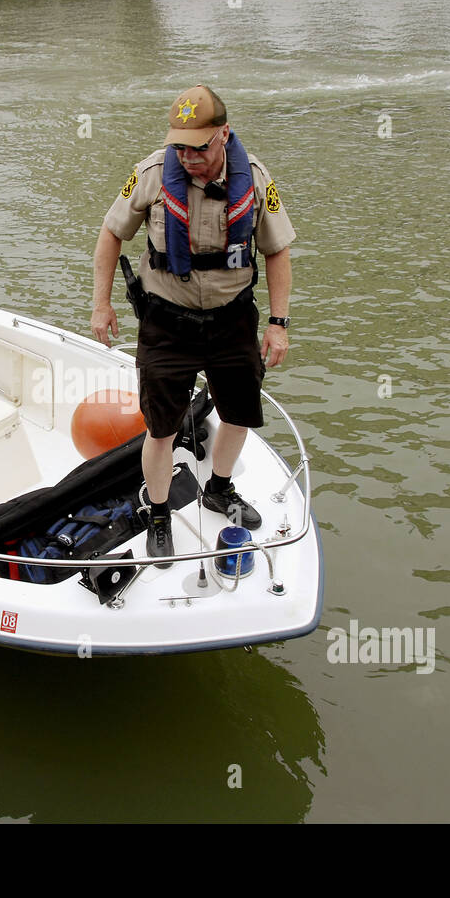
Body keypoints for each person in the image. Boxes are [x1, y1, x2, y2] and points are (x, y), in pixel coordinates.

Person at [90, 85, 295, 565]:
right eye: (179, 146)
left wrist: (279, 323)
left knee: (240, 413)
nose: (187, 157)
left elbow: (278, 250)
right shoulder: (152, 174)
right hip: (166, 322)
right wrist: (101, 304)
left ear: (223, 135)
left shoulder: (257, 179)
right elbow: (110, 235)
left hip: (231, 320)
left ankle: (219, 488)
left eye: (198, 148)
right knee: (160, 428)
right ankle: (159, 512)